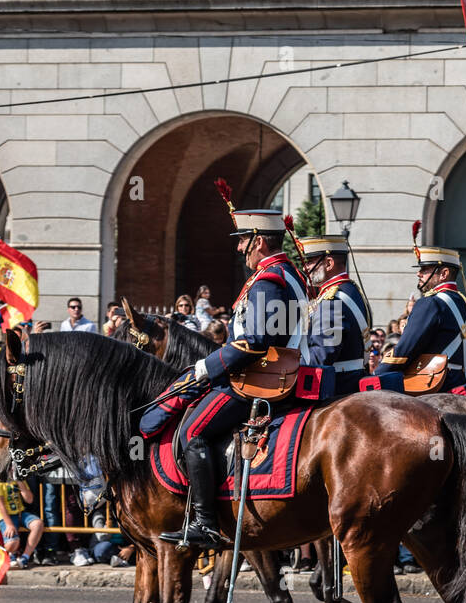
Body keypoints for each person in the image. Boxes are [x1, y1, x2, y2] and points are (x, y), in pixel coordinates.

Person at [155, 206, 310, 551]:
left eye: (243, 240)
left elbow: (255, 341)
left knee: (193, 432)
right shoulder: (290, 274)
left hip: (260, 376)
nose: (240, 248)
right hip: (278, 369)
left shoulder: (269, 280)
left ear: (259, 242)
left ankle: (204, 522)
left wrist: (207, 367)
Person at [376, 241, 466, 392]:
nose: (418, 273)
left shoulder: (430, 303)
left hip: (434, 385)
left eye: (425, 269)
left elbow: (406, 349)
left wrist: (379, 373)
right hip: (461, 382)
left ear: (444, 274)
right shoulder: (463, 303)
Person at [299, 235, 370, 395]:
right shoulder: (350, 289)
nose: (305, 268)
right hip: (352, 380)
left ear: (329, 263)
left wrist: (288, 368)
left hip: (337, 387)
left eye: (309, 261)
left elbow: (320, 356)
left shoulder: (331, 301)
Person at [0, 475, 45, 569]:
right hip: (5, 516)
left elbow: (29, 499)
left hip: (20, 513)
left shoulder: (20, 480)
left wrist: (20, 483)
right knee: (12, 544)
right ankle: (11, 554)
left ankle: (25, 557)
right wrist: (9, 524)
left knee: (38, 524)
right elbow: (0, 505)